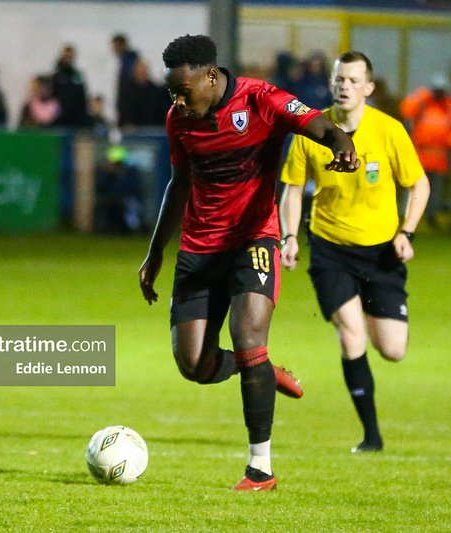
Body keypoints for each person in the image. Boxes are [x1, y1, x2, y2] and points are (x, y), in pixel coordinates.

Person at [138, 34, 359, 491]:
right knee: (192, 365)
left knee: (248, 336)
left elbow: (317, 123)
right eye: (171, 93)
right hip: (199, 248)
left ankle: (260, 468)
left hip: (254, 238)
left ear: (211, 77)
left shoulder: (260, 100)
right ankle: (257, 368)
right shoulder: (178, 122)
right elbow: (179, 183)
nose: (178, 102)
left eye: (184, 91)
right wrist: (156, 251)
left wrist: (341, 144)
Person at [279, 51, 430, 454]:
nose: (344, 86)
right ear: (332, 84)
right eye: (339, 80)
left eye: (352, 80)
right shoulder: (311, 131)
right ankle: (372, 436)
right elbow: (293, 189)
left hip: (381, 253)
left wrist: (407, 233)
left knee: (394, 350)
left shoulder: (389, 130)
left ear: (369, 87)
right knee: (351, 335)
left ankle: (362, 303)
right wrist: (289, 237)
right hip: (331, 249)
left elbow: (419, 185)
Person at [400, 73, 451, 225]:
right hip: (421, 155)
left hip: (440, 156)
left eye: (441, 91)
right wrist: (422, 95)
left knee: (435, 190)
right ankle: (408, 214)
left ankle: (432, 216)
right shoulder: (423, 103)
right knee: (414, 187)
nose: (438, 94)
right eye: (436, 90)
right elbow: (406, 110)